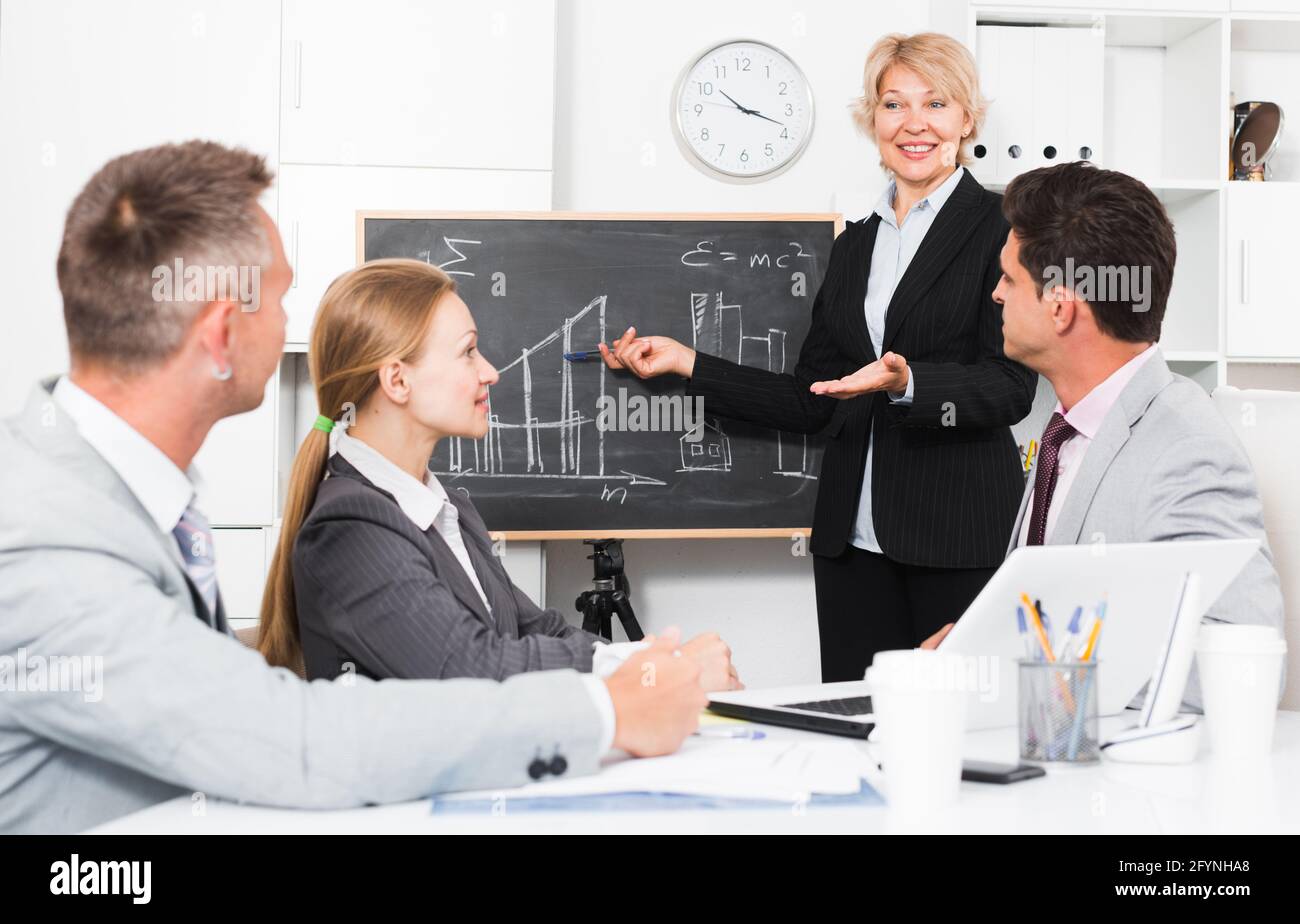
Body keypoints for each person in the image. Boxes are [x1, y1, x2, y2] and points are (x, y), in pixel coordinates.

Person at [0, 141, 707, 835]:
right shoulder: (49, 539)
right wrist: (610, 712)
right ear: (220, 335)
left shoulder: (111, 493)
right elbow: (291, 740)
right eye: (278, 299)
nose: (288, 326)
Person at [601, 33, 1035, 681]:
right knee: (857, 725)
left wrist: (909, 381)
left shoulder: (1004, 228)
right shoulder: (854, 245)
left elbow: (1011, 387)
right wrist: (689, 363)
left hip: (957, 538)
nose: (914, 123)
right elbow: (811, 398)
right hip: (850, 547)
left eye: (936, 103)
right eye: (894, 105)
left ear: (967, 119)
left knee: (960, 730)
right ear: (873, 121)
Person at [257, 258, 741, 691]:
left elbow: (535, 630)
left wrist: (658, 659)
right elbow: (471, 665)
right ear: (398, 380)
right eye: (468, 352)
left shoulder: (447, 508)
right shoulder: (350, 526)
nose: (491, 372)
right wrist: (658, 671)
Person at [924, 161, 1285, 707]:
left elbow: (1241, 668)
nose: (996, 294)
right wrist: (978, 650)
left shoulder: (1186, 450)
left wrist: (1017, 670)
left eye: (1010, 278)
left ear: (1061, 307)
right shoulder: (1065, 428)